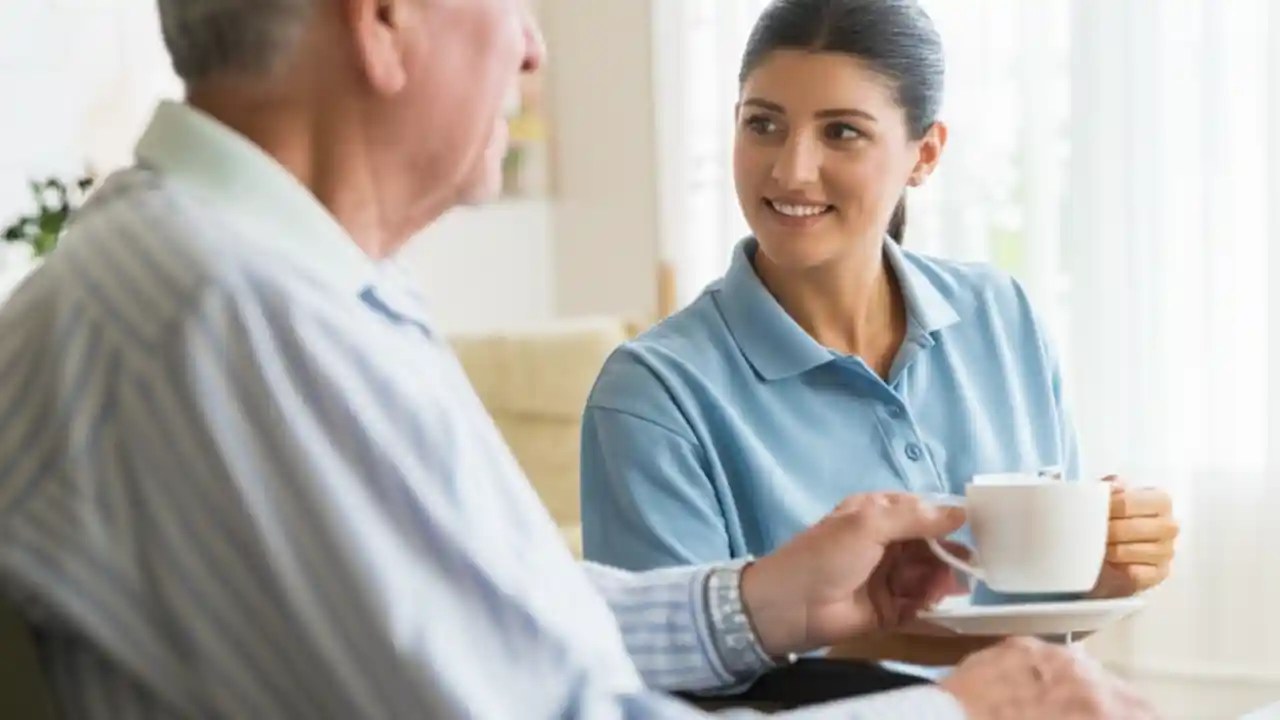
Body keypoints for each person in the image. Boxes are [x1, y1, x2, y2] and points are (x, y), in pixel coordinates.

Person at [0, 0, 1155, 718]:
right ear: (385, 18)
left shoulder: (258, 288)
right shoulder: (230, 325)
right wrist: (965, 711)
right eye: (511, 1)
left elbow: (493, 622)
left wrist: (760, 600)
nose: (534, 48)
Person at [580, 0, 1179, 669]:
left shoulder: (1000, 317)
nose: (790, 170)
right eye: (763, 124)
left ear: (924, 154)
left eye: (841, 133)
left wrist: (1101, 569)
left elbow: (1034, 614)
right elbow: (654, 675)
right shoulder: (653, 394)